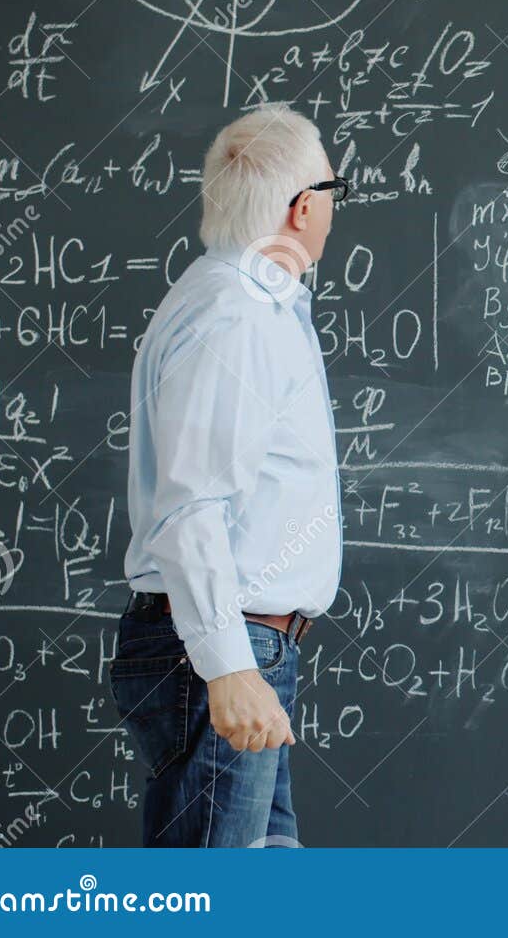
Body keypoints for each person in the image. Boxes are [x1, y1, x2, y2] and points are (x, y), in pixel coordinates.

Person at [112, 102, 347, 847]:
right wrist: (228, 669)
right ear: (303, 206)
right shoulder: (238, 316)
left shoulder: (238, 300)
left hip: (241, 648)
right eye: (333, 195)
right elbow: (190, 506)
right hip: (221, 649)